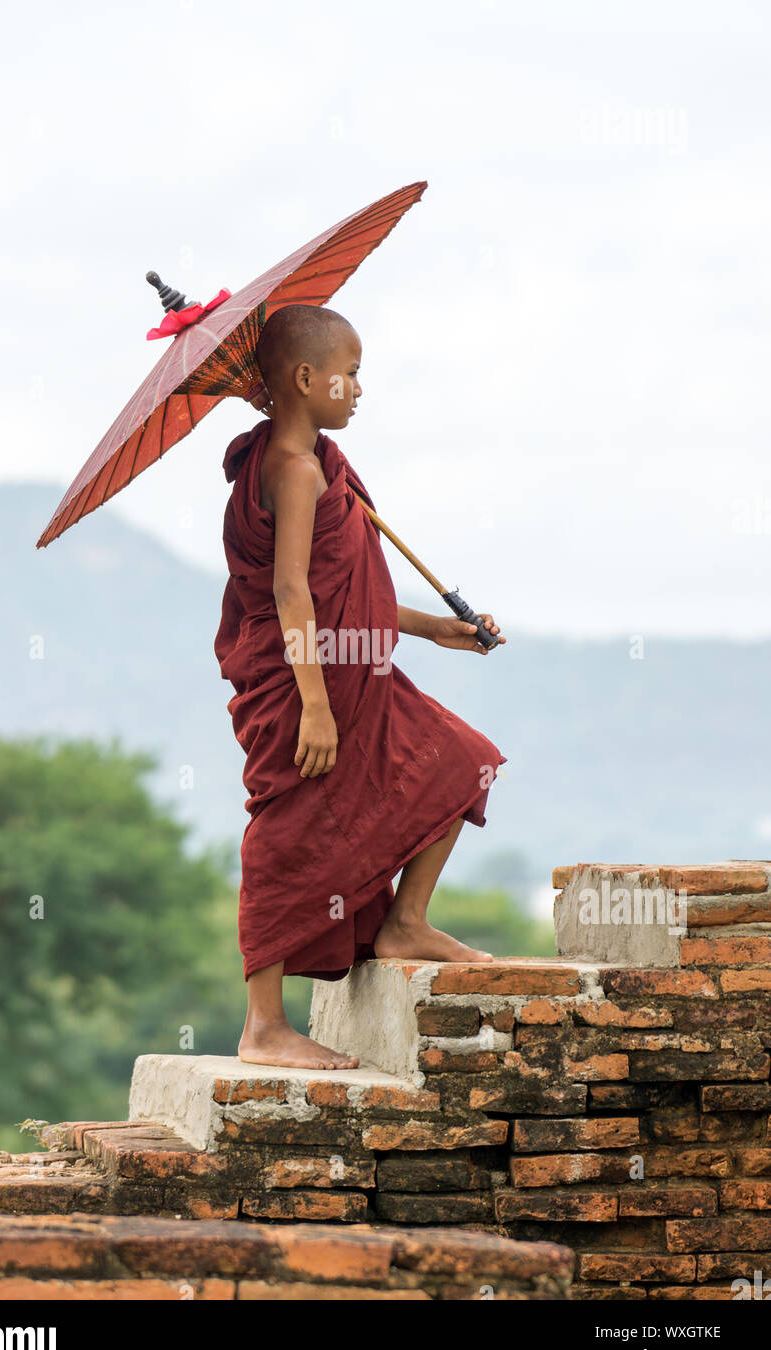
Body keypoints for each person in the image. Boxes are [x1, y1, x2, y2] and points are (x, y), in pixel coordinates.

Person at [214, 305, 507, 1069]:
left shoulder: (314, 461)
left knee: (461, 758)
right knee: (288, 830)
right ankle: (263, 1025)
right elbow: (289, 594)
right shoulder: (296, 470)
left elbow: (346, 589)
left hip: (357, 672)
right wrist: (313, 705)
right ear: (305, 379)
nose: (358, 389)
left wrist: (435, 628)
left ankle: (404, 922)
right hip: (307, 682)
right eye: (349, 373)